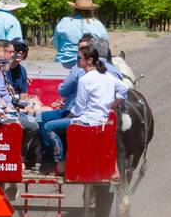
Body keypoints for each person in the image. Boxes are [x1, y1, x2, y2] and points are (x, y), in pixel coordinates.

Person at [38, 44, 123, 175]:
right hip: (102, 120)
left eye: (79, 58)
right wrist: (111, 105)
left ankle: (61, 163)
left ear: (89, 60)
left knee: (49, 126)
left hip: (87, 121)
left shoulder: (85, 79)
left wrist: (67, 117)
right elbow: (124, 90)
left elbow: (78, 109)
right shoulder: (108, 76)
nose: (77, 60)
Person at [53, 0, 107, 67]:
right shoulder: (98, 25)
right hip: (88, 64)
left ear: (74, 8)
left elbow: (56, 44)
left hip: (62, 64)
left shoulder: (64, 22)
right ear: (91, 10)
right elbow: (104, 47)